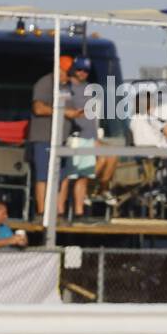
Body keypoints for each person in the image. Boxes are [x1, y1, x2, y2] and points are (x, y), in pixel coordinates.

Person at [29, 56, 82, 218]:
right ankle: (41, 212)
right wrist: (64, 112)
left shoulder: (65, 87)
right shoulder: (45, 83)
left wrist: (77, 113)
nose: (69, 76)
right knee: (43, 176)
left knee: (64, 176)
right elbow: (38, 108)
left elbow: (69, 108)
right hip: (44, 137)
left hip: (62, 139)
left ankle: (60, 211)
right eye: (68, 72)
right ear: (59, 70)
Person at [62, 57, 98, 220]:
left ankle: (79, 211)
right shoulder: (66, 87)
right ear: (73, 69)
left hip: (89, 137)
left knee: (84, 176)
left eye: (86, 70)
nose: (82, 73)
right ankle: (60, 211)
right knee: (66, 176)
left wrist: (96, 136)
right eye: (80, 69)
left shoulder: (90, 88)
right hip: (74, 136)